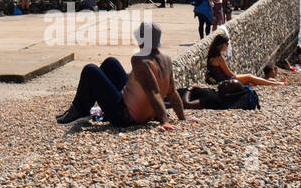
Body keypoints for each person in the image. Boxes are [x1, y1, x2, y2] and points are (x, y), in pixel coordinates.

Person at [56, 22, 197, 130]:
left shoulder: (140, 59)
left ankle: (79, 111)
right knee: (111, 63)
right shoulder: (166, 59)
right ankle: (83, 108)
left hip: (125, 116)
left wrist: (164, 121)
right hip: (141, 111)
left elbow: (153, 92)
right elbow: (172, 92)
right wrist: (182, 117)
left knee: (90, 70)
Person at [206, 35, 282, 86]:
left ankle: (274, 82)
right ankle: (276, 83)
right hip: (224, 81)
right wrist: (237, 77)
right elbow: (229, 73)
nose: (227, 46)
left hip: (220, 80)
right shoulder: (219, 58)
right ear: (222, 45)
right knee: (249, 77)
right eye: (227, 44)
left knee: (250, 80)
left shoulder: (211, 56)